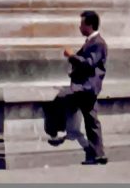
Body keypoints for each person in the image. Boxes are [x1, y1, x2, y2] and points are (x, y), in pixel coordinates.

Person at [44, 10, 107, 165]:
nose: (79, 27)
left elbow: (89, 63)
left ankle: (55, 132)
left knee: (60, 99)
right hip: (88, 87)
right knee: (91, 121)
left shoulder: (98, 43)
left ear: (89, 25)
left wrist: (71, 56)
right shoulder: (92, 41)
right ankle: (99, 154)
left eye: (82, 24)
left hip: (85, 87)